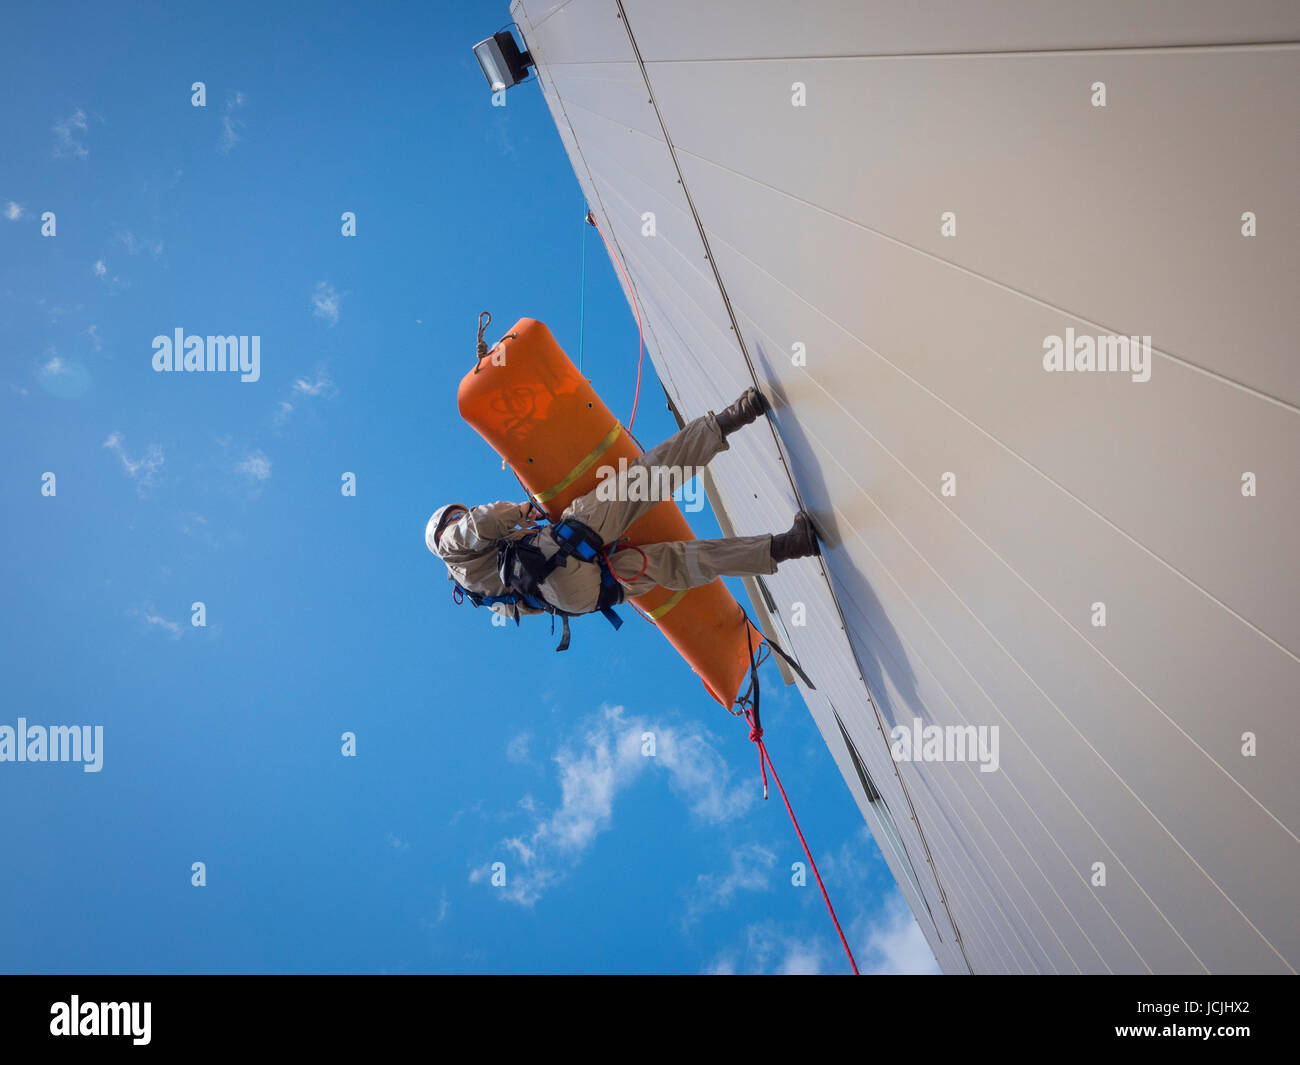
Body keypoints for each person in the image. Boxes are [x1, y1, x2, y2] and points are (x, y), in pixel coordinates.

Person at [426, 387, 820, 632]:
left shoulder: (478, 590)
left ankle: (790, 546)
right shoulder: (451, 545)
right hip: (560, 552)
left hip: (582, 597)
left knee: (683, 563)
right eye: (455, 514)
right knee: (646, 479)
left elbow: (525, 600)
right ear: (444, 525)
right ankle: (736, 415)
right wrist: (522, 512)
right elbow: (486, 522)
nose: (461, 516)